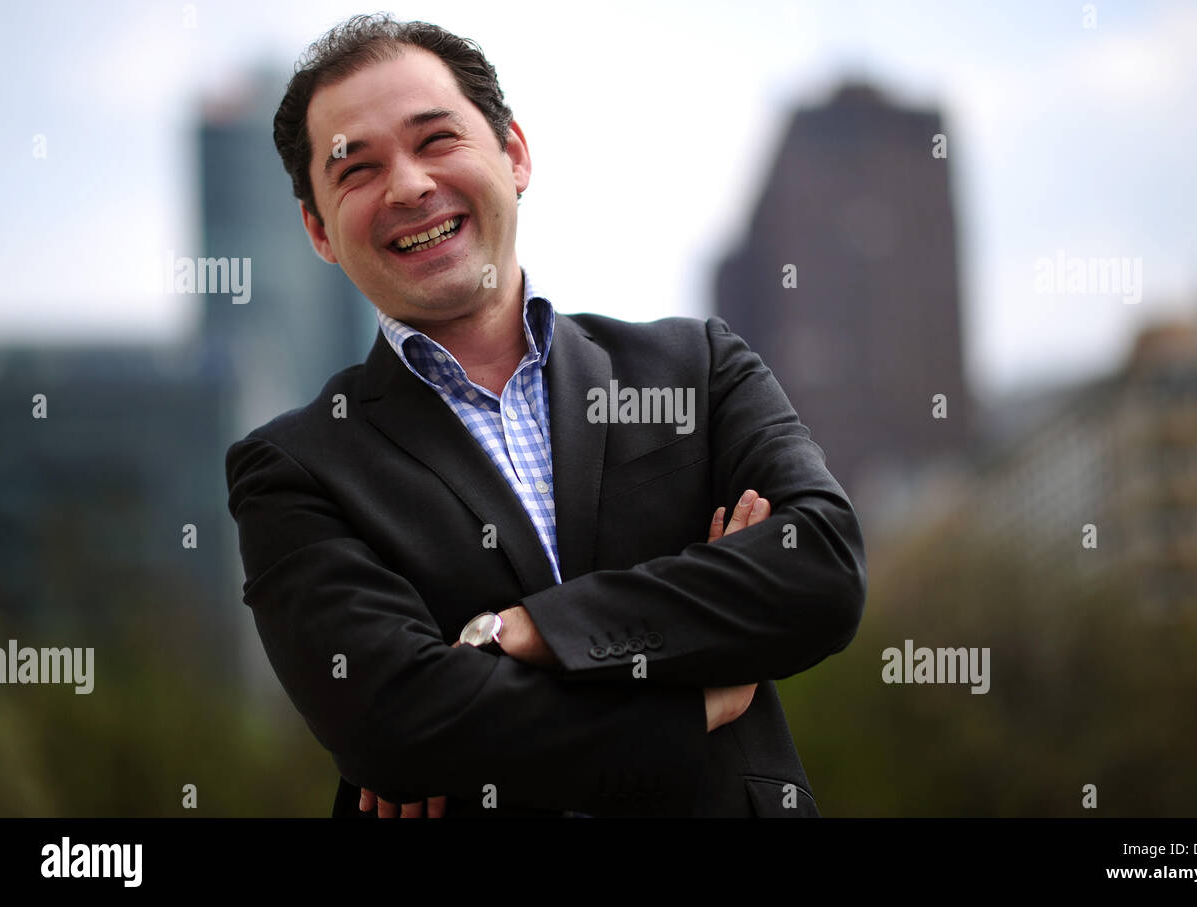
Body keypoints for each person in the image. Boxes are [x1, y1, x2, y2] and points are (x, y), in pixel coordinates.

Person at [225, 13, 866, 818]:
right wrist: (698, 695)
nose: (409, 185)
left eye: (436, 140)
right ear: (318, 229)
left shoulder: (697, 369)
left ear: (515, 154)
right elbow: (395, 722)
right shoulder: (293, 469)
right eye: (357, 169)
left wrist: (523, 631)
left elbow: (822, 568)